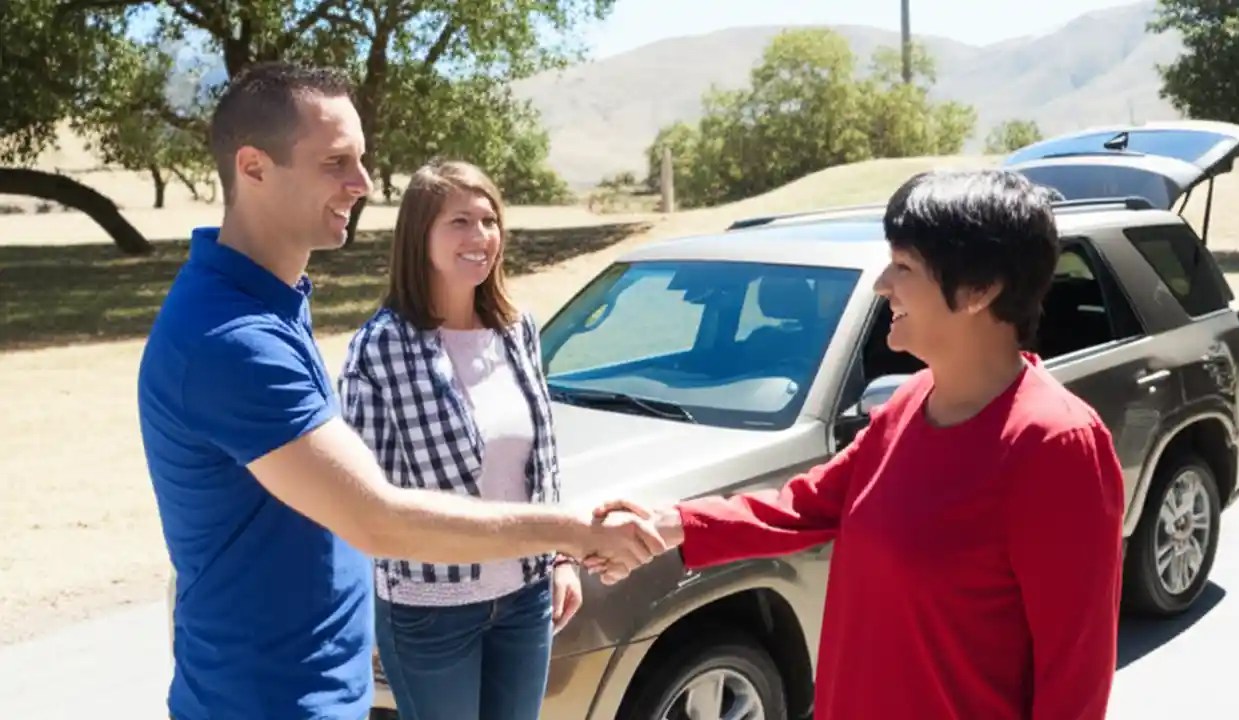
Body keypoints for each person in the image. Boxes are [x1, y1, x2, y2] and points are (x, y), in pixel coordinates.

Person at [136, 61, 664, 720]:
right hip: (270, 701)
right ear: (253, 167)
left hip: (318, 689)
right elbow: (377, 517)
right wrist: (571, 530)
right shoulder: (231, 338)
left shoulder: (272, 304)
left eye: (361, 160)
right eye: (335, 162)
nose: (361, 184)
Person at [589, 169, 1126, 720]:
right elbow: (803, 506)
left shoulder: (1055, 445)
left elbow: (1075, 677)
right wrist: (670, 523)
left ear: (979, 290)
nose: (882, 284)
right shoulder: (910, 403)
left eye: (904, 266)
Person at [337, 160, 577, 720]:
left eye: (489, 220)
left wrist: (562, 557)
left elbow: (541, 461)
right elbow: (358, 498)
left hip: (525, 594)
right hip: (429, 606)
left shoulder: (518, 331)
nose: (480, 237)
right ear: (420, 237)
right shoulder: (379, 348)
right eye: (459, 222)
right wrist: (359, 607)